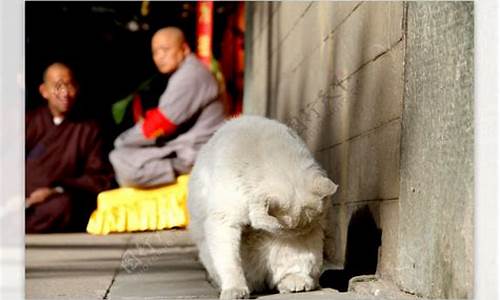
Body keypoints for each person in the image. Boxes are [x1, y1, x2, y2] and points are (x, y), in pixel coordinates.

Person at [109, 27, 225, 187]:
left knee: (120, 158)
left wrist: (122, 141)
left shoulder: (190, 75)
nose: (159, 57)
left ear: (184, 49)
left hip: (196, 151)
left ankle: (178, 170)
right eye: (155, 52)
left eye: (164, 50)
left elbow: (161, 123)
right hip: (185, 146)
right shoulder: (187, 71)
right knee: (120, 157)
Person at [26, 62, 114, 233]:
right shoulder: (28, 123)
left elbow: (98, 177)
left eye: (69, 85)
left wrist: (55, 189)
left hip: (57, 198)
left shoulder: (88, 129)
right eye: (58, 86)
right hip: (20, 200)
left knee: (64, 206)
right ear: (44, 91)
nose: (65, 93)